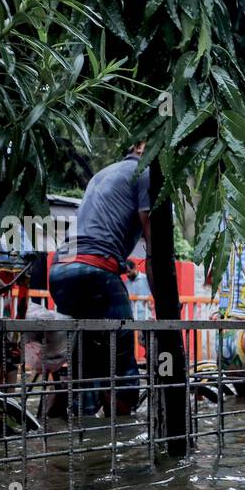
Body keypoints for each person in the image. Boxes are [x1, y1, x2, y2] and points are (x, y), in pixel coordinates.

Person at [49, 142, 151, 415]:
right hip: (95, 272)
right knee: (121, 365)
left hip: (60, 269)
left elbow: (93, 231)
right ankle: (121, 443)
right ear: (142, 149)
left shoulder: (102, 174)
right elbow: (155, 244)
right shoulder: (145, 170)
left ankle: (75, 420)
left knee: (86, 358)